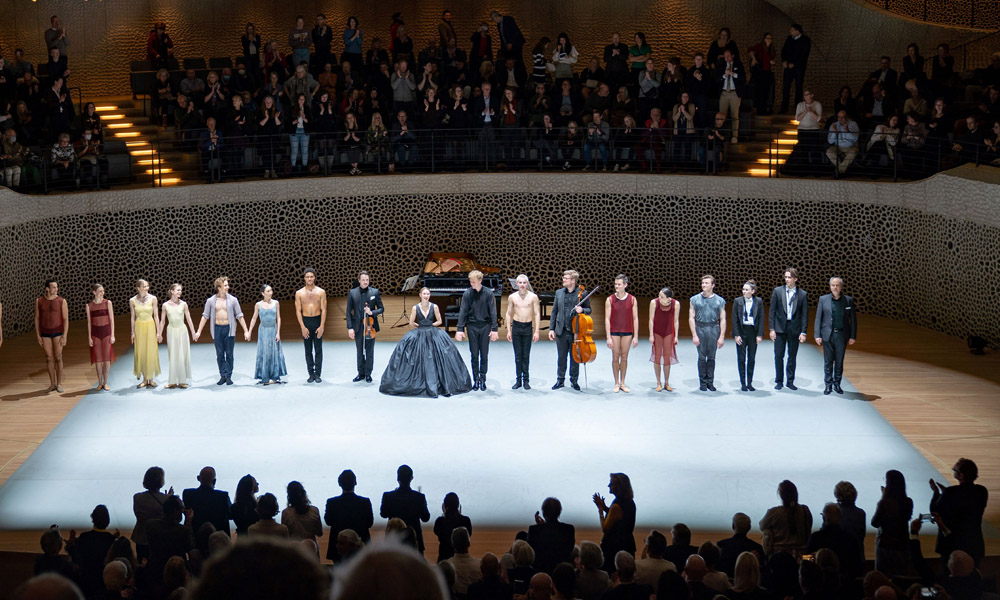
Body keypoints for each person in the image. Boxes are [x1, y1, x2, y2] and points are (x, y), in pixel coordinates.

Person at [380, 287, 473, 397]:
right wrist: (420, 326)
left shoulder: (434, 306)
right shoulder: (415, 308)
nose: (426, 296)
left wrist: (431, 325)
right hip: (420, 331)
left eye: (428, 294)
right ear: (420, 295)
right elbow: (411, 322)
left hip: (432, 331)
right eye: (424, 294)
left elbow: (439, 321)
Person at [929, 458, 988, 567]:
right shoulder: (982, 491)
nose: (953, 471)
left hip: (952, 544)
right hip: (973, 544)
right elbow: (965, 500)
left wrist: (936, 493)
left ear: (961, 475)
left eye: (954, 470)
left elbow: (935, 511)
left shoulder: (950, 492)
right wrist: (946, 494)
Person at [194, 276, 250, 386]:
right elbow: (205, 316)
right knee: (220, 354)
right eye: (225, 285)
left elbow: (239, 316)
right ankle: (222, 375)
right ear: (219, 288)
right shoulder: (211, 301)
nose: (228, 287)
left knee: (229, 353)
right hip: (217, 329)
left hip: (229, 329)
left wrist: (246, 330)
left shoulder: (233, 300)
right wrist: (199, 331)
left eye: (227, 285)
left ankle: (228, 375)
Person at [548, 270, 592, 391]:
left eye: (566, 278)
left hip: (575, 331)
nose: (563, 280)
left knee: (575, 357)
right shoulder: (559, 293)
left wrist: (582, 310)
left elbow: (589, 310)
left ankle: (574, 380)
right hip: (561, 330)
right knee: (561, 357)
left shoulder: (582, 293)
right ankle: (560, 380)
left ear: (573, 280)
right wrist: (551, 329)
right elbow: (554, 311)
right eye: (564, 277)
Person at [813, 277, 857, 395]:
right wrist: (817, 335)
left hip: (842, 335)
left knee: (839, 361)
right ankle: (828, 385)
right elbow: (818, 318)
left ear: (841, 287)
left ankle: (837, 384)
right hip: (828, 335)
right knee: (828, 362)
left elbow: (853, 319)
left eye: (837, 285)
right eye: (833, 285)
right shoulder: (823, 299)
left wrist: (853, 336)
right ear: (830, 286)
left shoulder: (848, 300)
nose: (835, 287)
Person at [456, 270, 498, 391]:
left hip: (485, 326)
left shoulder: (488, 293)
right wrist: (460, 329)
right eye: (470, 281)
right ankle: (476, 380)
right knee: (474, 354)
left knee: (484, 355)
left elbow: (493, 312)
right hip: (472, 326)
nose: (471, 283)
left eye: (474, 282)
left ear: (480, 280)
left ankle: (483, 379)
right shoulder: (467, 294)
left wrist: (494, 329)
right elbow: (463, 311)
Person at [768, 268, 807, 391]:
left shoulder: (802, 294)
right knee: (778, 355)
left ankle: (790, 381)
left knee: (792, 356)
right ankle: (779, 381)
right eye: (785, 277)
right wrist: (771, 329)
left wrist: (803, 332)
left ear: (795, 279)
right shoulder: (777, 291)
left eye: (789, 277)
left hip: (794, 328)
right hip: (780, 328)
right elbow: (772, 311)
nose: (787, 279)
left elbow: (804, 315)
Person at [324, 469, 374, 562]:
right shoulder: (365, 502)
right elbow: (369, 523)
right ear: (355, 483)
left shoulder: (332, 503)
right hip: (360, 547)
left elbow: (328, 521)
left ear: (340, 484)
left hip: (338, 550)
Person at [380, 465, 431, 554]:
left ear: (398, 478)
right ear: (411, 478)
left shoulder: (388, 496)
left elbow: (383, 514)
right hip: (414, 544)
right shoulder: (419, 497)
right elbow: (425, 518)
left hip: (393, 543)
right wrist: (421, 502)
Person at [872, 470, 913, 576]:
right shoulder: (908, 502)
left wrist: (884, 496)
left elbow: (875, 523)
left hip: (886, 546)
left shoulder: (884, 503)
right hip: (902, 545)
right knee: (901, 575)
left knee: (883, 576)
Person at [689, 275, 726, 392]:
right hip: (700, 328)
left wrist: (721, 336)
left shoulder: (720, 300)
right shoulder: (694, 299)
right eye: (703, 283)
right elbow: (691, 317)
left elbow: (723, 319)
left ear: (713, 285)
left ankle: (710, 382)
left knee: (711, 357)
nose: (703, 285)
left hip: (713, 328)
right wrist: (694, 335)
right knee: (701, 357)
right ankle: (703, 383)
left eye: (706, 283)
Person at [594, 473, 636, 574]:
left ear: (619, 487)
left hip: (614, 549)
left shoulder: (616, 506)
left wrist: (600, 510)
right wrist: (605, 508)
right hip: (627, 545)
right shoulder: (629, 502)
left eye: (611, 483)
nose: (609, 485)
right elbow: (619, 518)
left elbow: (605, 528)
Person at [347, 270, 385, 383]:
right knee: (359, 351)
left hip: (370, 325)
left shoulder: (375, 292)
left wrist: (372, 312)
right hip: (358, 326)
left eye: (367, 280)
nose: (365, 282)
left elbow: (381, 308)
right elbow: (348, 312)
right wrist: (350, 327)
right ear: (359, 280)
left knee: (369, 351)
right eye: (363, 280)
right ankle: (361, 373)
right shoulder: (352, 293)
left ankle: (368, 374)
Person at [156, 283, 196, 389]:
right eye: (178, 290)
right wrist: (159, 334)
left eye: (180, 290)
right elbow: (162, 321)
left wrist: (193, 333)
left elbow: (189, 319)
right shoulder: (165, 305)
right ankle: (172, 381)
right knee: (173, 355)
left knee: (182, 355)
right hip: (171, 331)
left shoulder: (183, 304)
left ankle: (182, 381)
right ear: (172, 291)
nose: (180, 292)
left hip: (182, 331)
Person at [505, 274, 540, 390]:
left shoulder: (533, 297)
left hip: (527, 327)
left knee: (526, 355)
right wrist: (508, 330)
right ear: (516, 284)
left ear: (527, 284)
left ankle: (526, 380)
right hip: (516, 327)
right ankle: (518, 380)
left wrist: (536, 331)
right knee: (518, 356)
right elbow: (508, 314)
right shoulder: (512, 297)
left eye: (524, 283)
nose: (522, 285)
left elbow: (537, 314)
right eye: (520, 283)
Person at [247, 284, 287, 385]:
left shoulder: (276, 303)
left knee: (274, 353)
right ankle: (265, 376)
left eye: (271, 290)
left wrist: (278, 332)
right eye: (268, 291)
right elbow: (254, 318)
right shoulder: (258, 305)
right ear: (263, 293)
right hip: (263, 331)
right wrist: (249, 331)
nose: (270, 293)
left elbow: (278, 318)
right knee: (264, 353)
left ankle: (275, 376)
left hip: (273, 330)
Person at [605, 274, 639, 393]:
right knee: (615, 357)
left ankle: (623, 383)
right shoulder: (610, 299)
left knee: (624, 357)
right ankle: (616, 383)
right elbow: (607, 319)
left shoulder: (632, 299)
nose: (617, 286)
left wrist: (636, 336)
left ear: (625, 285)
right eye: (615, 284)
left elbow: (635, 318)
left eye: (619, 284)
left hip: (627, 332)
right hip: (614, 332)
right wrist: (608, 337)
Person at [759, 480, 812, 556]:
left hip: (778, 556)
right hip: (802, 555)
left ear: (781, 495)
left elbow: (762, 526)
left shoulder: (773, 512)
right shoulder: (805, 510)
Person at [293, 268, 326, 383]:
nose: (309, 279)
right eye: (307, 277)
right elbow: (298, 311)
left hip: (317, 321)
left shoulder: (321, 292)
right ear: (304, 278)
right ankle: (311, 374)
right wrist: (302, 327)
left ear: (314, 277)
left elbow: (324, 309)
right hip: (306, 321)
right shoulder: (299, 293)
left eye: (311, 276)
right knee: (308, 350)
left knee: (318, 349)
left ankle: (318, 374)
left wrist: (322, 326)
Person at [35, 280, 68, 393]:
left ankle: (59, 384)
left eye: (56, 287)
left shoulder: (61, 301)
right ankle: (52, 384)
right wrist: (38, 335)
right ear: (47, 289)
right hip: (45, 333)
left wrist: (64, 335)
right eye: (54, 287)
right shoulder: (39, 301)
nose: (56, 289)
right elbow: (37, 318)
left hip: (58, 332)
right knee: (49, 358)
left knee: (58, 357)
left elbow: (65, 319)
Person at [132, 466, 171, 563]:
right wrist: (170, 497)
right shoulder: (167, 499)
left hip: (141, 537)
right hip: (159, 538)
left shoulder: (137, 497)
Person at [527, 498, 575, 575]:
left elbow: (532, 553)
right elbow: (568, 550)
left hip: (540, 573)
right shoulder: (569, 529)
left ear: (543, 512)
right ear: (559, 512)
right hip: (562, 574)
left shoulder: (534, 530)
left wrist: (540, 527)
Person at [129, 279, 161, 389]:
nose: (146, 288)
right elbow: (132, 317)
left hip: (150, 326)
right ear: (138, 288)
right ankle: (144, 379)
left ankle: (150, 379)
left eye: (147, 286)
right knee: (141, 352)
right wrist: (132, 332)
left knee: (150, 352)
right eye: (144, 286)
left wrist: (158, 331)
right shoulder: (132, 300)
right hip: (139, 327)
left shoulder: (153, 298)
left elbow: (156, 316)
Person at [647, 287, 680, 392]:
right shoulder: (654, 303)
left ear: (669, 298)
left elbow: (676, 321)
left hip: (669, 332)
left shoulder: (676, 304)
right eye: (659, 296)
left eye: (662, 297)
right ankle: (658, 382)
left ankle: (666, 382)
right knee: (657, 357)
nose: (659, 298)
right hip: (657, 332)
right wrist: (651, 335)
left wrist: (676, 336)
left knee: (667, 357)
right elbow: (651, 320)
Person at [732, 280, 764, 392]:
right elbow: (734, 320)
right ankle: (743, 383)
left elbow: (761, 319)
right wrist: (736, 335)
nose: (744, 291)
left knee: (751, 359)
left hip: (753, 333)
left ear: (753, 291)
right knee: (741, 358)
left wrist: (759, 335)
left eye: (746, 290)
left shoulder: (758, 301)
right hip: (742, 332)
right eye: (743, 289)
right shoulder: (738, 301)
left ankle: (750, 382)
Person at [182, 466, 232, 536]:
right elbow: (231, 515)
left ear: (198, 478)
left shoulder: (188, 494)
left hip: (194, 538)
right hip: (218, 539)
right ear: (214, 481)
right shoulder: (223, 496)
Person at [85, 283, 115, 391]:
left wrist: (112, 335)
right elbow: (89, 323)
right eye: (100, 291)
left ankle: (105, 382)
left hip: (106, 333)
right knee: (98, 360)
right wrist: (89, 337)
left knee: (106, 359)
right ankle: (100, 383)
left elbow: (111, 320)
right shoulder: (89, 306)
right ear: (94, 292)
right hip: (95, 334)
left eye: (103, 291)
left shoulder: (108, 303)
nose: (103, 293)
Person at [433, 492, 473, 563]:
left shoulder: (440, 521)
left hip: (444, 558)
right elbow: (468, 535)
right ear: (458, 505)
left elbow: (437, 532)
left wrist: (445, 513)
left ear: (444, 505)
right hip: (462, 560)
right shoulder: (466, 521)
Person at [780, 24, 811, 114]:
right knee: (786, 87)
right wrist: (784, 60)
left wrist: (794, 64)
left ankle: (798, 109)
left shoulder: (805, 40)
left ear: (797, 31)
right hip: (788, 67)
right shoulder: (789, 39)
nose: (790, 32)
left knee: (798, 87)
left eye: (792, 30)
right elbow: (783, 50)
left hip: (799, 68)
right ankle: (784, 108)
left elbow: (804, 55)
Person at [716, 49, 745, 144]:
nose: (727, 58)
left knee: (734, 115)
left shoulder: (738, 64)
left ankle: (734, 136)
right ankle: (722, 135)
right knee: (722, 115)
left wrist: (733, 73)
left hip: (734, 93)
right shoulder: (722, 65)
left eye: (728, 56)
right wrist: (724, 75)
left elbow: (743, 78)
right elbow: (717, 79)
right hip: (724, 92)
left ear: (732, 56)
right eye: (725, 57)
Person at [749, 33, 776, 115]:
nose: (769, 40)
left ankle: (763, 109)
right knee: (760, 91)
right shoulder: (760, 46)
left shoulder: (771, 48)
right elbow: (750, 50)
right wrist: (754, 59)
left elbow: (770, 59)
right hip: (760, 71)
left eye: (770, 38)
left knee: (766, 91)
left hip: (767, 71)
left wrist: (772, 62)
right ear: (764, 39)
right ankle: (759, 109)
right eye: (767, 38)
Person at [826, 110, 860, 176]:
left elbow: (855, 139)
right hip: (838, 147)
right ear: (838, 118)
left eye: (844, 116)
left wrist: (847, 131)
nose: (843, 119)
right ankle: (841, 170)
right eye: (841, 117)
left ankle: (839, 171)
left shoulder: (853, 124)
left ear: (847, 117)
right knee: (829, 152)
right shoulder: (834, 125)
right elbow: (830, 141)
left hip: (850, 147)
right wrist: (835, 133)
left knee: (853, 152)